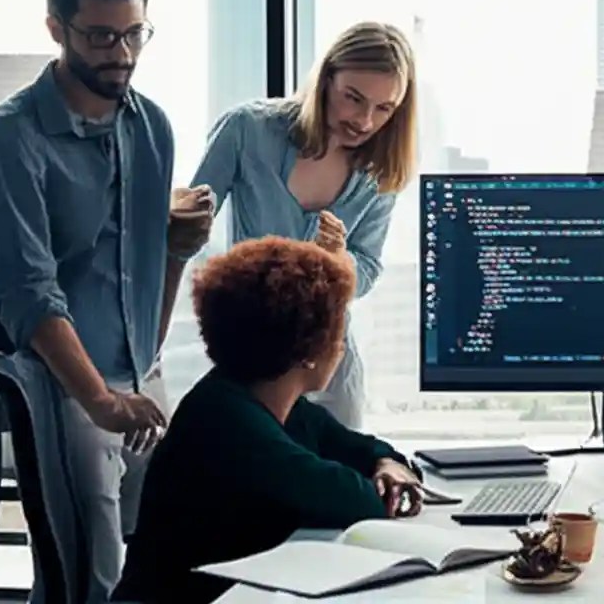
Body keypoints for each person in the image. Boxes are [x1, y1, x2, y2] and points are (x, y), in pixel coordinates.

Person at [0, 0, 211, 602]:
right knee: (87, 583)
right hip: (64, 390)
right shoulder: (7, 140)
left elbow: (151, 267)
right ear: (56, 29)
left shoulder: (152, 126)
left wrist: (181, 252)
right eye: (101, 36)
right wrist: (100, 400)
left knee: (165, 570)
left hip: (142, 378)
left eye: (134, 33)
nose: (121, 53)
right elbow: (25, 291)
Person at [114, 237, 421, 603]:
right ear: (309, 348)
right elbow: (356, 500)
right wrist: (381, 481)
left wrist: (386, 462)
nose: (341, 344)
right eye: (339, 326)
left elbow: (356, 447)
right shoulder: (226, 421)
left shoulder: (270, 400)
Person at [187, 21, 416, 429]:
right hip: (252, 354)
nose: (364, 121)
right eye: (353, 98)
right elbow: (187, 224)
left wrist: (340, 260)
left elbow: (367, 268)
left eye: (384, 108)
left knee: (337, 479)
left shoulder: (381, 168)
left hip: (330, 362)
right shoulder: (247, 130)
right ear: (326, 79)